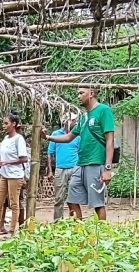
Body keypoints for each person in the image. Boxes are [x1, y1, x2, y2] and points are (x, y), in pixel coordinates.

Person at [43, 87, 116, 220]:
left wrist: (107, 169)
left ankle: (102, 234)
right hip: (80, 164)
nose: (78, 96)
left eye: (81, 93)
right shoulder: (84, 117)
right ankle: (78, 231)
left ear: (92, 94)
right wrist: (48, 137)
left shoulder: (104, 111)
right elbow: (69, 137)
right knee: (71, 199)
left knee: (98, 204)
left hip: (96, 162)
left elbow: (109, 140)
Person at [0, 111, 28, 238]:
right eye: (3, 123)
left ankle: (12, 232)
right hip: (4, 174)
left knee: (14, 204)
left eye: (6, 123)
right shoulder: (6, 139)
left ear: (14, 124)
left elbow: (24, 159)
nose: (4, 126)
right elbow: (4, 156)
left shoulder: (19, 139)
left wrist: (7, 162)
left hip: (15, 176)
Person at [46, 113, 80, 221]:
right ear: (67, 121)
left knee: (73, 197)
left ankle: (74, 221)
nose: (76, 123)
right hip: (60, 169)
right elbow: (50, 153)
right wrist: (50, 171)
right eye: (74, 121)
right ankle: (58, 222)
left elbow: (81, 152)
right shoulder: (56, 134)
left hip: (74, 169)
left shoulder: (78, 135)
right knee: (58, 198)